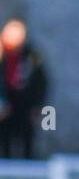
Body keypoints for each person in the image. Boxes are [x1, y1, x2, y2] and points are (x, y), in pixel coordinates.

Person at [0, 18, 48, 159]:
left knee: (28, 141)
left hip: (26, 106)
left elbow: (42, 82)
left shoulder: (32, 55)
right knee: (4, 141)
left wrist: (38, 106)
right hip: (5, 105)